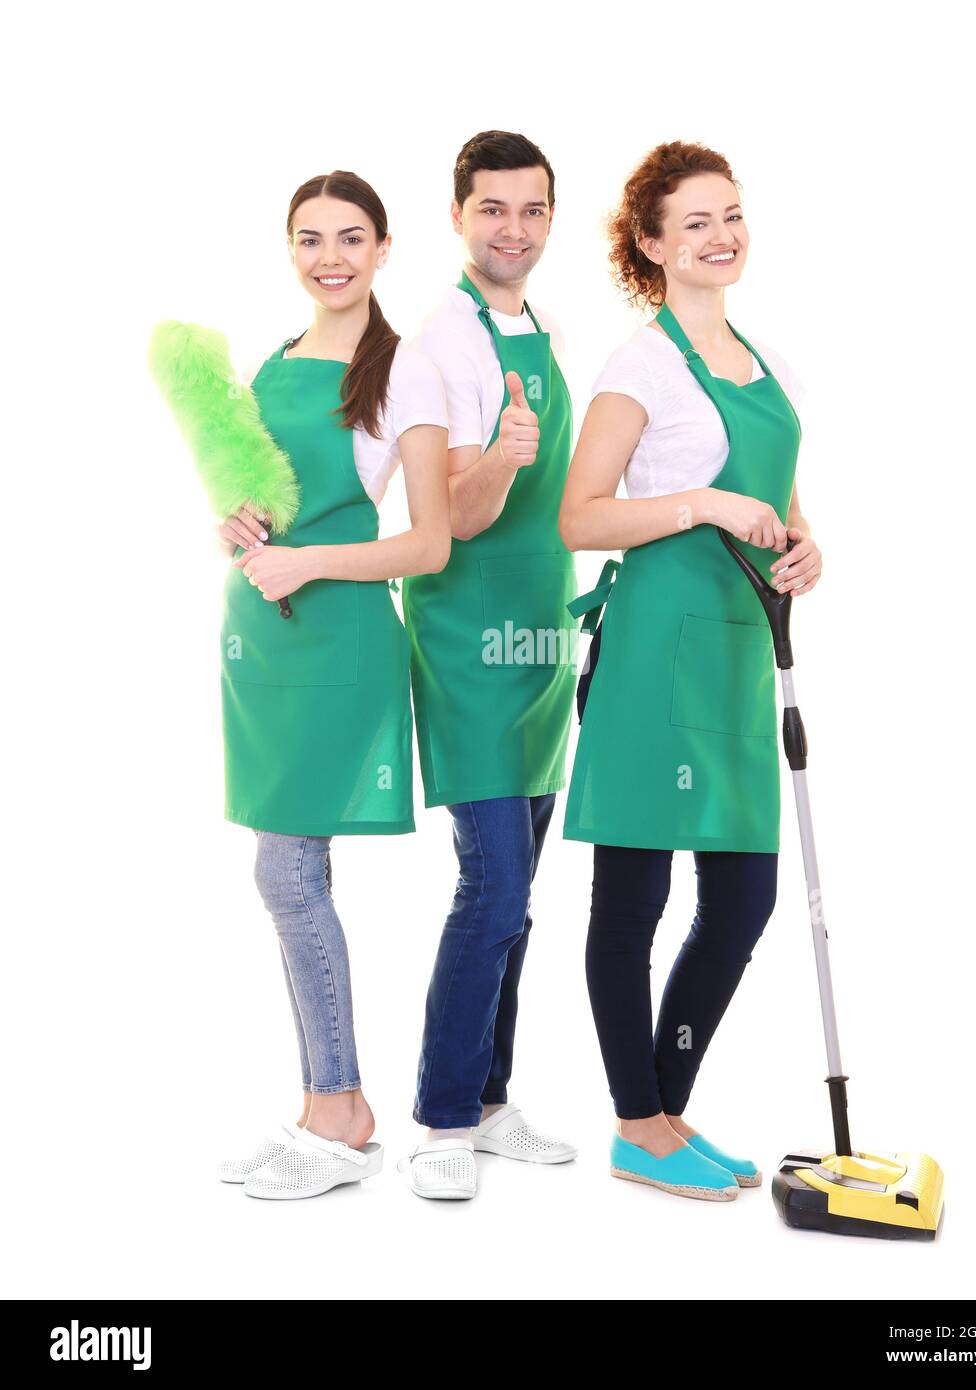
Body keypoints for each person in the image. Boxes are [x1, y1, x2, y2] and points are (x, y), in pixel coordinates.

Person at [559, 141, 824, 1201]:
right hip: (654, 653)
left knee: (744, 897)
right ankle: (640, 1121)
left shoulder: (771, 364)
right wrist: (707, 503)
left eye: (734, 215)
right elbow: (580, 517)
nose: (723, 236)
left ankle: (662, 1108)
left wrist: (806, 548)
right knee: (634, 897)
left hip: (737, 654)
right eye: (698, 222)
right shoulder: (641, 367)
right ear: (654, 245)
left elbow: (789, 509)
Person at [212, 170, 451, 1199]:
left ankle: (342, 1108)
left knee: (288, 872)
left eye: (351, 238)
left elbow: (430, 542)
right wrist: (240, 529)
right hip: (263, 643)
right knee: (285, 868)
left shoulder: (405, 371)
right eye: (310, 239)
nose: (330, 258)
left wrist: (306, 562)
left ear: (385, 248)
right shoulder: (274, 360)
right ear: (291, 249)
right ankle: (326, 1105)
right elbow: (265, 498)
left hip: (342, 638)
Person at [399, 131, 579, 1199]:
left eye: (531, 210)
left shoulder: (545, 329)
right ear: (458, 216)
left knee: (522, 895)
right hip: (470, 647)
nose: (513, 229)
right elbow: (451, 515)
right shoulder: (443, 346)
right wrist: (504, 462)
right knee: (493, 884)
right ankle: (442, 1116)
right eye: (492, 209)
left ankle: (495, 1095)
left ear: (550, 217)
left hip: (542, 643)